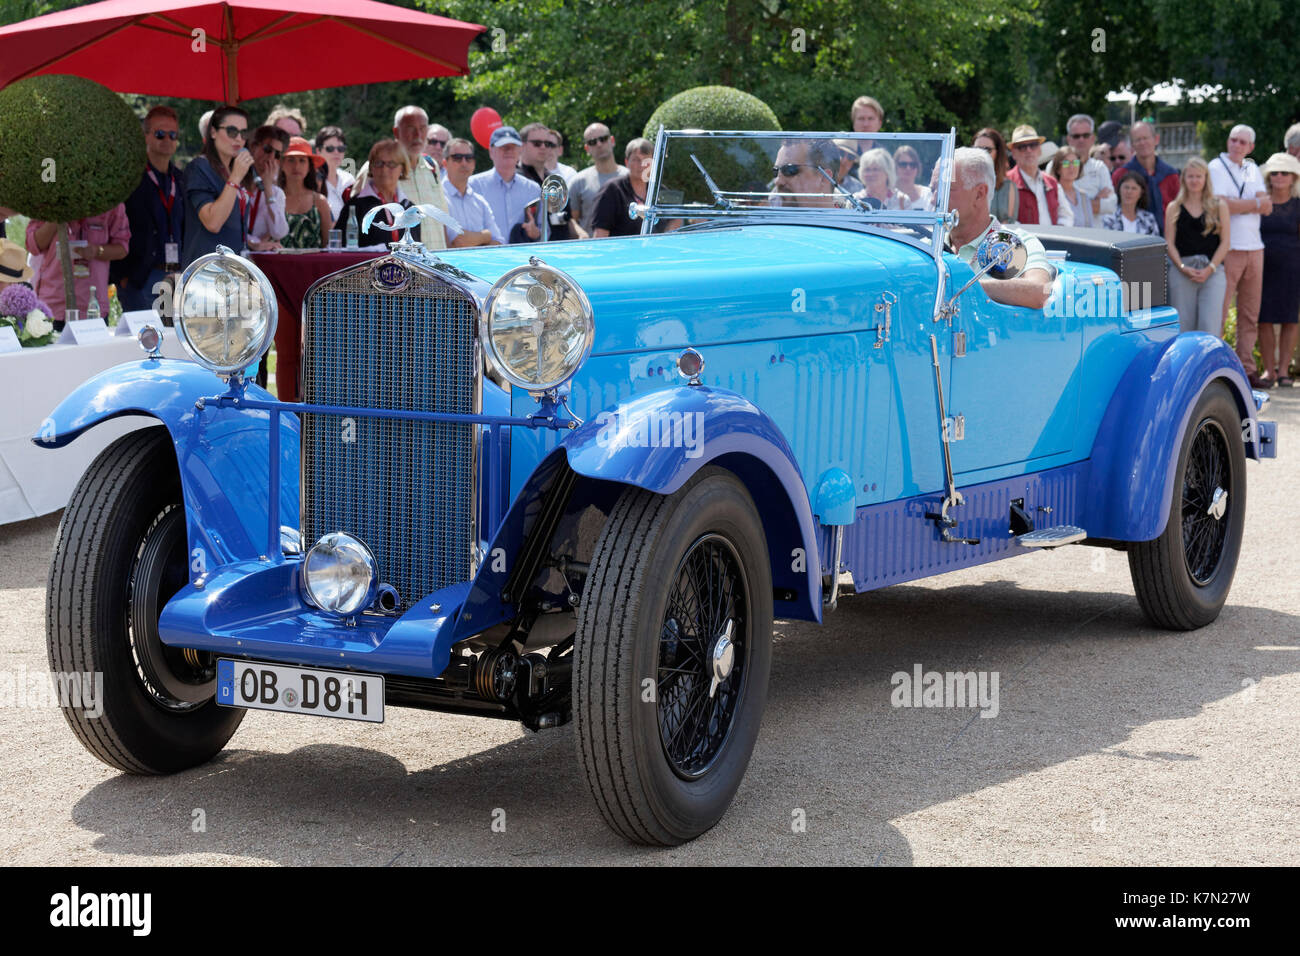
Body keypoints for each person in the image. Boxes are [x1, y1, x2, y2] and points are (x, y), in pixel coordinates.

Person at [944, 147, 1054, 310]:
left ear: (979, 194)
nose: (934, 199)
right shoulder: (926, 246)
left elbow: (1040, 292)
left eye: (946, 189)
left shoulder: (1017, 243)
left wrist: (958, 288)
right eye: (933, 189)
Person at [1210, 125, 1272, 385]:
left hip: (1255, 248)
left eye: (1242, 142)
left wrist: (1242, 205)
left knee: (1249, 313)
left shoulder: (1252, 168)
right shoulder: (1215, 167)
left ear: (1251, 147)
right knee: (1220, 311)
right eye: (1233, 140)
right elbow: (1220, 205)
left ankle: (1246, 368)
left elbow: (1267, 206)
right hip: (1229, 247)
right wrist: (1254, 203)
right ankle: (1216, 366)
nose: (1236, 145)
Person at [114, 104, 186, 312]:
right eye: (160, 134)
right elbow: (116, 226)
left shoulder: (180, 179)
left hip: (177, 276)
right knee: (144, 341)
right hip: (141, 278)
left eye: (173, 135)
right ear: (145, 136)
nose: (167, 140)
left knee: (175, 341)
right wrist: (123, 277)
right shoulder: (130, 179)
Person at [354, 106, 451, 250]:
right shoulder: (377, 169)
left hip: (436, 264)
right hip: (399, 267)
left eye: (423, 128)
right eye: (410, 128)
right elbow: (355, 218)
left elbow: (441, 221)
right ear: (396, 132)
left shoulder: (432, 166)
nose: (417, 134)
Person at [25, 206, 129, 324]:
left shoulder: (111, 203)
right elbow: (33, 245)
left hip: (91, 307)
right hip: (52, 306)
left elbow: (122, 248)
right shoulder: (48, 200)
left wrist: (97, 250)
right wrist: (57, 217)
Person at [181, 105, 255, 268]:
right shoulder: (199, 167)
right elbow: (213, 222)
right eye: (231, 131)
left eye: (243, 133)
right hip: (206, 271)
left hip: (234, 268)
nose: (239, 138)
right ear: (213, 132)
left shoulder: (235, 169)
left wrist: (253, 244)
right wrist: (235, 177)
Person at [1164, 158, 1230, 335]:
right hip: (1182, 270)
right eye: (1190, 176)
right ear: (1184, 178)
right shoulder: (1174, 207)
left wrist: (1210, 268)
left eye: (1198, 176)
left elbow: (1225, 242)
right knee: (1182, 326)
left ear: (1205, 178)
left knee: (1210, 325)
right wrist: (1182, 267)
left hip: (1213, 271)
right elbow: (1169, 242)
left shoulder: (1219, 206)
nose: (1194, 180)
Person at [1257, 152, 1300, 387]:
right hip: (1262, 268)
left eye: (1285, 173)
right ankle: (1269, 371)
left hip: (1292, 268)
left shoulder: (1298, 204)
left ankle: (1283, 371)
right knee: (1263, 320)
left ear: (1293, 177)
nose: (1280, 176)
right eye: (1275, 173)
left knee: (1289, 320)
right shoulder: (1260, 201)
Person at [335, 140, 421, 248]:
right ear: (371, 168)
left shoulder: (410, 209)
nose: (384, 169)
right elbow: (341, 253)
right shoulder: (355, 207)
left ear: (402, 168)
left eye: (391, 164)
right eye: (378, 163)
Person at [469, 126, 541, 242]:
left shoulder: (533, 189)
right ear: (491, 152)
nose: (509, 150)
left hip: (522, 257)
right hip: (486, 257)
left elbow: (545, 231)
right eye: (503, 146)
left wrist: (536, 233)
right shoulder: (473, 186)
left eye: (513, 147)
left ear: (520, 151)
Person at [1110, 122, 1179, 236]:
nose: (1142, 143)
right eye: (1137, 140)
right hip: (1130, 237)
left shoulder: (1171, 175)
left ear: (1156, 139)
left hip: (1169, 239)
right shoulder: (1121, 175)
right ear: (1132, 145)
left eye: (1146, 138)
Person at [515, 123, 581, 241]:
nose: (544, 147)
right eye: (537, 143)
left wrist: (581, 235)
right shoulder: (515, 180)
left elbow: (567, 219)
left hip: (561, 250)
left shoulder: (555, 180)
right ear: (522, 145)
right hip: (531, 253)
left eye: (548, 144)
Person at [1006, 126, 1073, 226]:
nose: (1029, 150)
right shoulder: (1006, 183)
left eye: (1033, 145)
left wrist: (1058, 233)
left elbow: (1066, 215)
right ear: (1014, 153)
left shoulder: (1052, 183)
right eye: (1022, 147)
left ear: (1040, 150)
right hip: (1023, 241)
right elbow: (1005, 220)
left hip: (1053, 240)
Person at [441, 138, 501, 246]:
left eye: (469, 158)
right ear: (445, 163)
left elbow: (498, 242)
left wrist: (472, 238)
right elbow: (459, 242)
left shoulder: (480, 202)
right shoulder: (438, 198)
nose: (464, 163)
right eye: (457, 158)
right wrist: (486, 235)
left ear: (474, 163)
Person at [592, 138, 659, 235]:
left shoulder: (659, 191)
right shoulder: (612, 191)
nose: (641, 165)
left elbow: (675, 219)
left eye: (646, 160)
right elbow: (600, 234)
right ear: (627, 162)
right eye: (636, 160)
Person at [569, 123, 627, 234]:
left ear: (612, 140)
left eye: (603, 139)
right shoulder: (578, 182)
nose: (599, 144)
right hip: (592, 248)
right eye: (592, 142)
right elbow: (571, 220)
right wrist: (581, 234)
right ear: (587, 148)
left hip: (628, 247)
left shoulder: (630, 177)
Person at [279, 137, 332, 249]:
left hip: (314, 266)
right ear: (282, 164)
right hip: (275, 266)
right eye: (291, 160)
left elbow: (328, 245)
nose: (296, 166)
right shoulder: (272, 198)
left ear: (309, 166)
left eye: (302, 160)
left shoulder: (320, 201)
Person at [1064, 113, 1116, 217]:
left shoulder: (1100, 168)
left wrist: (1071, 204)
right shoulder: (1056, 165)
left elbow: (1111, 205)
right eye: (1076, 136)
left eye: (1086, 135)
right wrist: (1095, 200)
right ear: (1068, 139)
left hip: (1094, 232)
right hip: (1064, 232)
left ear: (1093, 138)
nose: (1081, 140)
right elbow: (1055, 204)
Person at [246, 125, 289, 251]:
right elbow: (229, 227)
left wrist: (268, 188)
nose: (271, 157)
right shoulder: (237, 182)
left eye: (277, 154)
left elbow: (279, 232)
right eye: (267, 149)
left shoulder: (276, 193)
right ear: (254, 147)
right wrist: (254, 243)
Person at [765, 138, 837, 210]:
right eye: (776, 171)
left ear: (824, 178)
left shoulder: (845, 219)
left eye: (789, 170)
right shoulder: (769, 218)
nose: (777, 181)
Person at [972, 128, 1017, 222]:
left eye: (987, 149)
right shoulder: (963, 183)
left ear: (997, 153)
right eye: (977, 149)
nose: (981, 153)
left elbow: (1009, 224)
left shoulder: (1008, 186)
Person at [315, 126, 355, 222]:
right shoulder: (313, 181)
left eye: (341, 148)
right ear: (318, 151)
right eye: (330, 148)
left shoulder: (349, 179)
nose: (336, 152)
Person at [1101, 171, 1160, 235]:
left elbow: (1156, 243)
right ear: (1119, 190)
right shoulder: (1108, 218)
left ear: (1141, 193)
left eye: (1134, 188)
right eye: (1126, 187)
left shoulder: (1149, 219)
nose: (1129, 191)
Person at [1051, 146, 1093, 228]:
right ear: (1058, 169)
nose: (1071, 167)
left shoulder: (1084, 196)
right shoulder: (1053, 194)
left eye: (1075, 162)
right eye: (1066, 163)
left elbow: (1090, 227)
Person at [892, 145, 931, 210]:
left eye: (913, 165)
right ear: (895, 166)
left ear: (918, 167)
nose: (908, 168)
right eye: (903, 164)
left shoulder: (927, 194)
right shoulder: (887, 194)